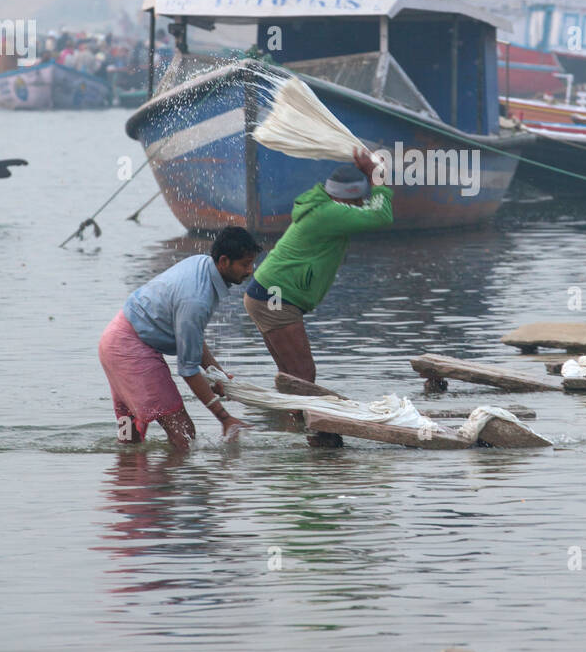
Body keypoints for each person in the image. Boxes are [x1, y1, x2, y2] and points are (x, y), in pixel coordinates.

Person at [98, 228, 260, 449]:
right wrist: (224, 417)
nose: (250, 271)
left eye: (252, 263)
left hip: (114, 339)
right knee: (183, 433)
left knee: (130, 436)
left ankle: (128, 476)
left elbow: (191, 337)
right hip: (130, 348)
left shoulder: (202, 263)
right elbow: (188, 369)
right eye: (245, 264)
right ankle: (165, 483)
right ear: (223, 261)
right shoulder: (196, 300)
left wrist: (217, 374)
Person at [244, 149, 393, 385]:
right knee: (303, 375)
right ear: (346, 199)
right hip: (275, 295)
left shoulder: (325, 207)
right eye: (357, 201)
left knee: (290, 375)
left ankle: (286, 420)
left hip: (268, 293)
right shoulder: (331, 213)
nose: (361, 205)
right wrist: (377, 177)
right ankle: (298, 419)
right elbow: (381, 215)